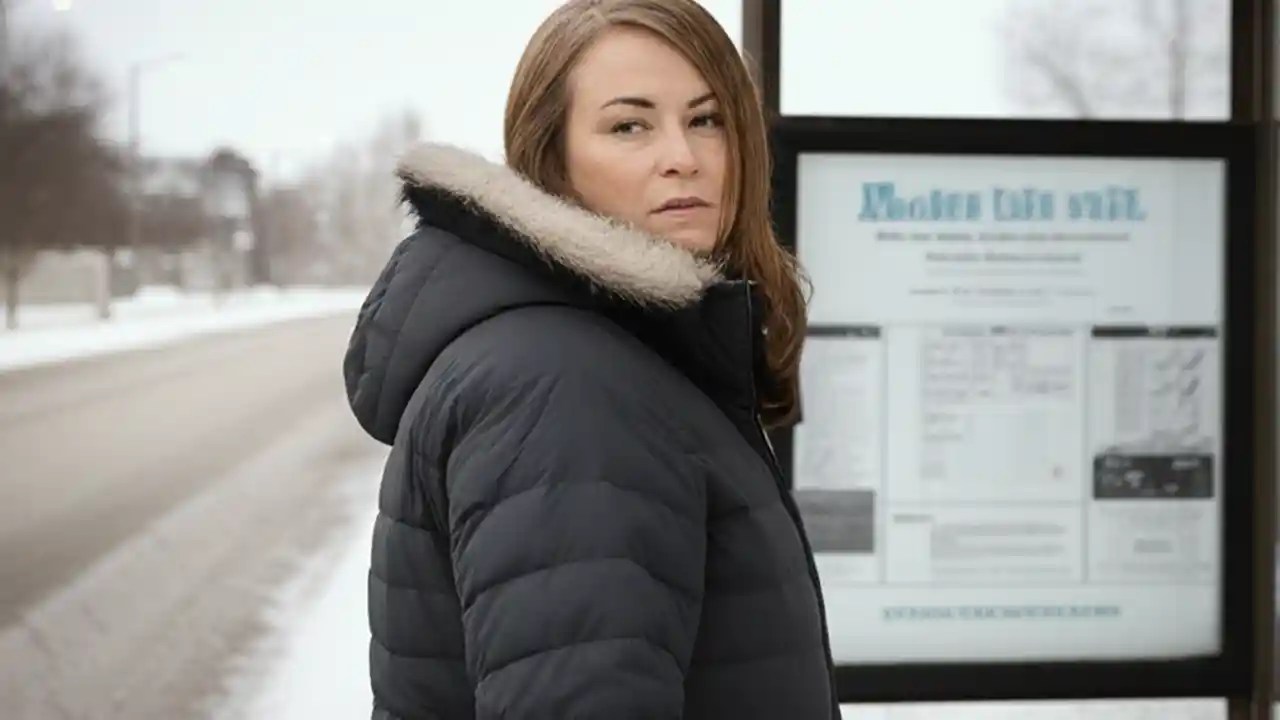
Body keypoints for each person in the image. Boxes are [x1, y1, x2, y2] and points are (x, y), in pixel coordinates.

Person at [343, 0, 837, 717]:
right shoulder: (568, 387)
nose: (684, 157)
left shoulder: (613, 356)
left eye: (706, 119)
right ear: (552, 161)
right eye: (629, 126)